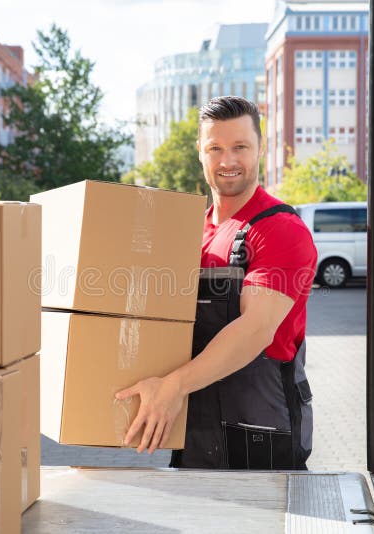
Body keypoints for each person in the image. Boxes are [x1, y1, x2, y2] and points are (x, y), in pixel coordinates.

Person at [116, 96, 317, 469]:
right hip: (195, 435)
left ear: (261, 148)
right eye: (215, 148)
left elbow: (255, 330)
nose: (227, 161)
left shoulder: (279, 230)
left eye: (240, 147)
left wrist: (172, 386)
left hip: (261, 442)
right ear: (200, 152)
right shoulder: (190, 232)